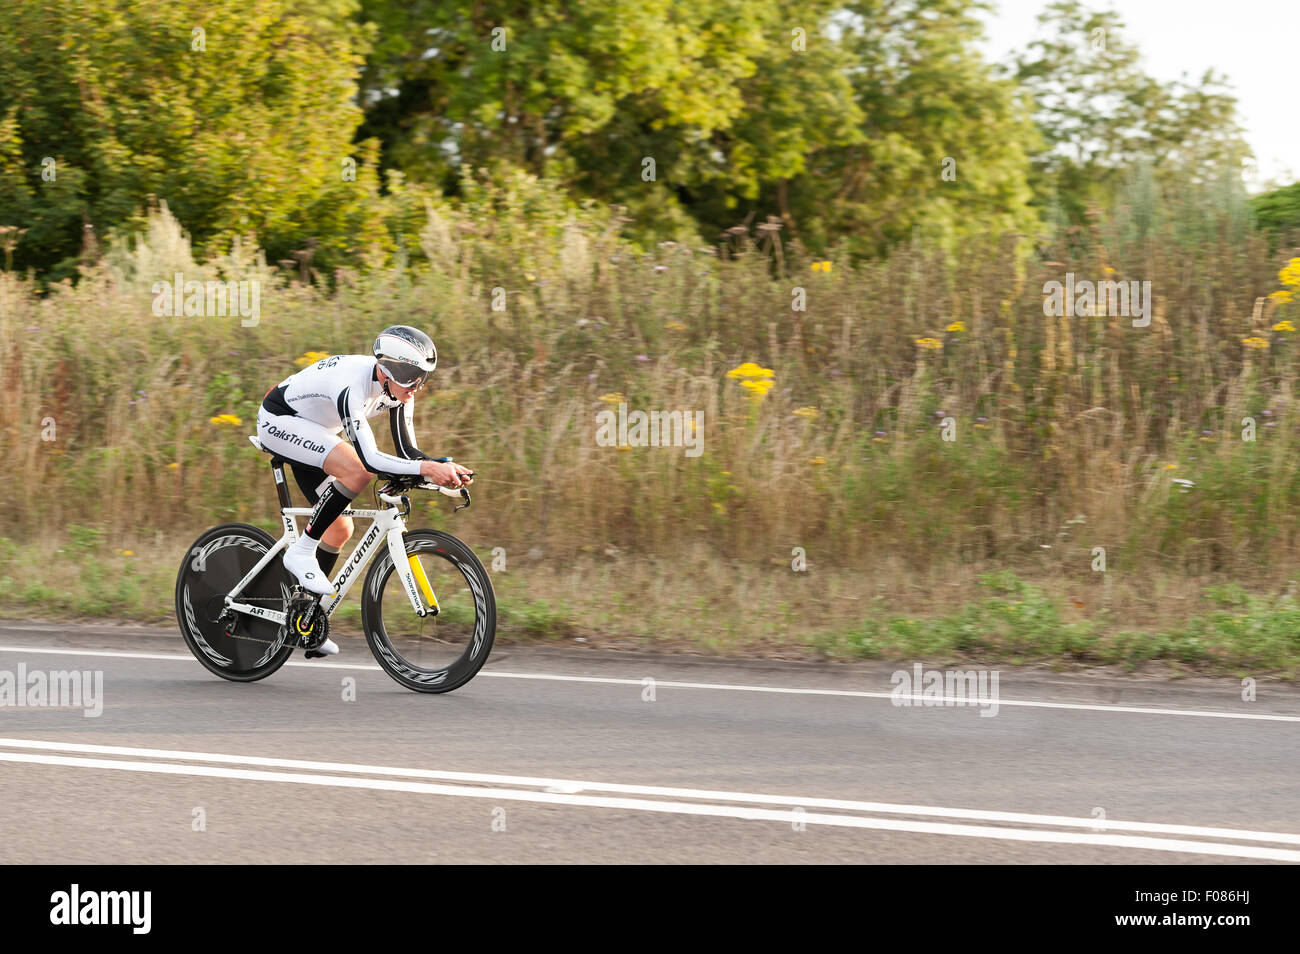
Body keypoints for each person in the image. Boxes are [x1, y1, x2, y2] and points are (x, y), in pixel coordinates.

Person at [255, 325, 473, 656]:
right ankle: (301, 551)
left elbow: (408, 453)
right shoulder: (352, 386)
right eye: (412, 376)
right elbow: (370, 461)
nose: (417, 386)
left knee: (340, 528)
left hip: (315, 430)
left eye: (423, 378)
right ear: (389, 368)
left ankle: (305, 619)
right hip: (280, 420)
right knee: (357, 472)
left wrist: (441, 469)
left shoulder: (398, 391)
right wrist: (427, 469)